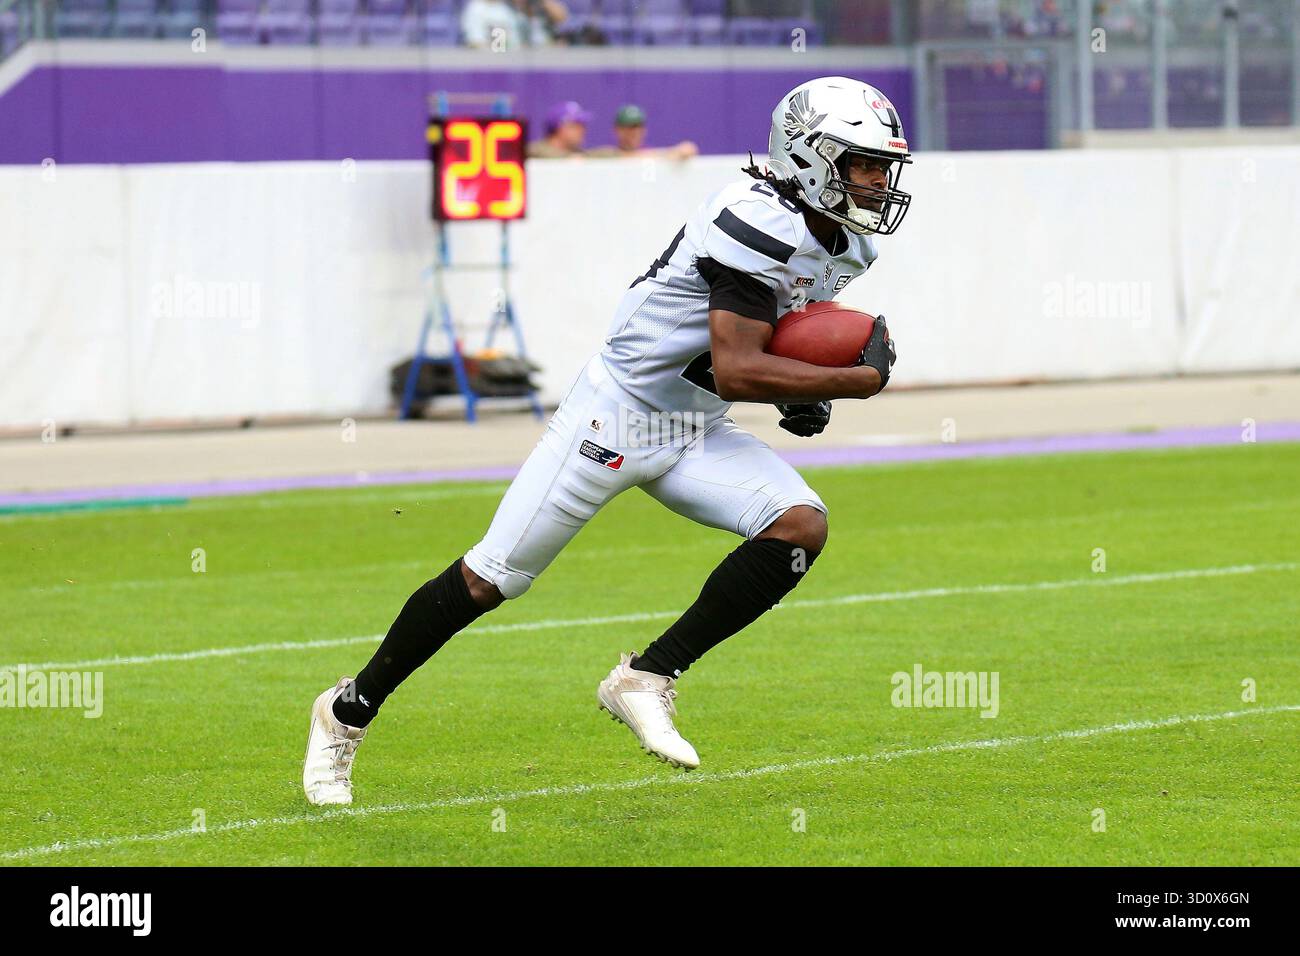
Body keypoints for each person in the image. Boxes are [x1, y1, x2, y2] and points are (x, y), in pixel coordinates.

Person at [303, 76, 913, 805]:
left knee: (797, 527)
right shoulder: (756, 219)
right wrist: (855, 383)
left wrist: (807, 400)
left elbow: (773, 345)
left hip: (694, 426)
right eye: (863, 164)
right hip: (615, 418)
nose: (878, 182)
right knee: (488, 580)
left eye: (882, 166)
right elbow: (739, 365)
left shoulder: (841, 240)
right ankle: (346, 712)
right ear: (811, 157)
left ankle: (646, 677)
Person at [586, 104, 700, 160]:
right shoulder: (605, 155)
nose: (634, 132)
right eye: (629, 127)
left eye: (638, 126)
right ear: (618, 130)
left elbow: (689, 148)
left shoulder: (652, 155)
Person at [462, 0, 567, 49]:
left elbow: (561, 17)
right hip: (504, 68)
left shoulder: (511, 7)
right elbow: (498, 48)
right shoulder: (480, 9)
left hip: (535, 61)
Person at [526, 100, 592, 158]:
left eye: (582, 126)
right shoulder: (532, 153)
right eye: (575, 126)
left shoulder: (579, 153)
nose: (581, 131)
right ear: (558, 128)